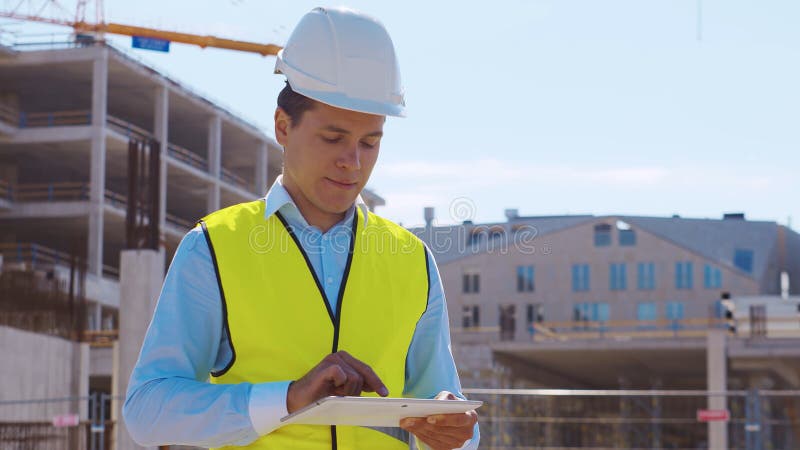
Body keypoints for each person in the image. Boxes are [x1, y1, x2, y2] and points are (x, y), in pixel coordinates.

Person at [123, 6, 479, 450]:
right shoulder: (213, 248)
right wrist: (288, 398)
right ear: (282, 126)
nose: (352, 162)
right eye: (333, 139)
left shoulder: (413, 260)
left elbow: (445, 408)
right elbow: (146, 412)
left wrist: (455, 429)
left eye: (370, 143)